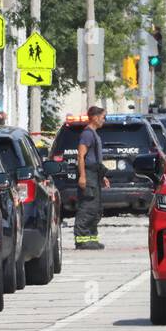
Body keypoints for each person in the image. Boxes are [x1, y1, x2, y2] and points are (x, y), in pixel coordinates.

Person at [74, 105, 108, 250]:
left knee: (95, 209)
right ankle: (81, 240)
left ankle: (91, 238)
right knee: (87, 207)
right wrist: (82, 176)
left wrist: (102, 177)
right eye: (102, 117)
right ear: (94, 117)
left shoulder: (94, 133)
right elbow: (81, 156)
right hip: (88, 175)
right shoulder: (87, 134)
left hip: (95, 175)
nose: (103, 120)